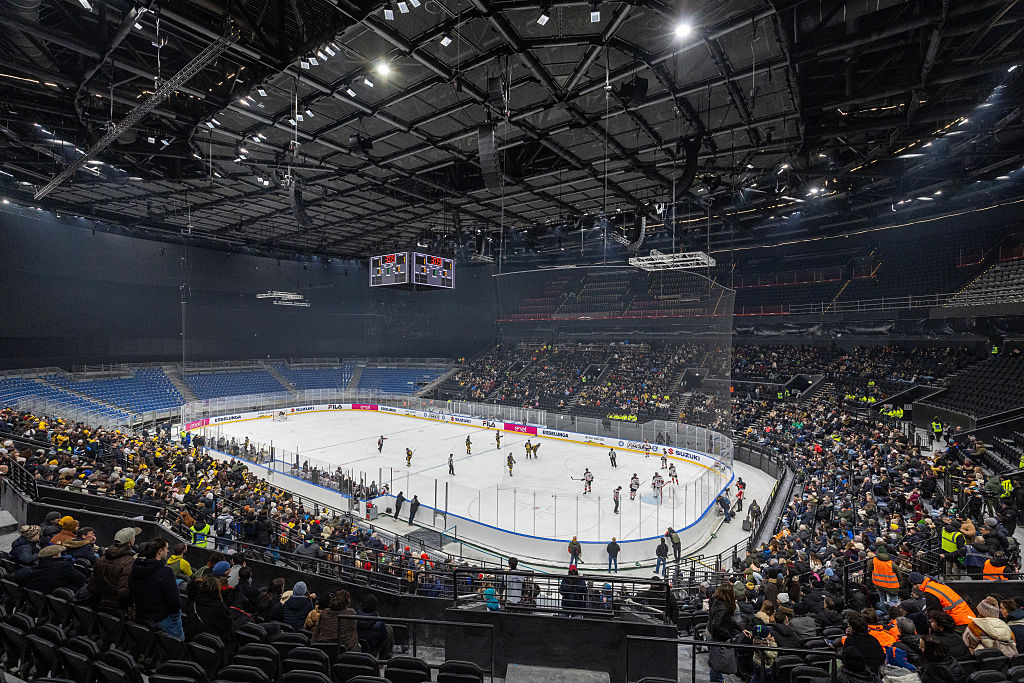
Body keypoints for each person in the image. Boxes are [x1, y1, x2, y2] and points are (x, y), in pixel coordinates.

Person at [130, 539, 184, 640]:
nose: (168, 551)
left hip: (141, 615)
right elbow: (174, 603)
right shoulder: (166, 572)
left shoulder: (135, 568)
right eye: (166, 549)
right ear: (159, 551)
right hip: (162, 618)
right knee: (177, 614)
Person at [89, 527, 139, 615]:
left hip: (100, 606)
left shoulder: (101, 560)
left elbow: (91, 586)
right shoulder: (129, 562)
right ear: (131, 542)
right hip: (118, 611)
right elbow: (123, 593)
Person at [907, 572, 976, 627]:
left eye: (914, 584)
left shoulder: (930, 591)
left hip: (958, 621)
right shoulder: (935, 584)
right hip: (966, 616)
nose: (915, 587)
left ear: (917, 582)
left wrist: (931, 626)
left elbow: (933, 613)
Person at [708, 582, 744, 683]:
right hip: (718, 637)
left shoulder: (716, 602)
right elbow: (717, 625)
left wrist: (741, 628)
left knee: (716, 663)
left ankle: (718, 680)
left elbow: (727, 620)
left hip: (714, 634)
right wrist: (729, 635)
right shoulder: (723, 607)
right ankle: (717, 681)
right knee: (717, 664)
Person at [19, 544, 87, 592]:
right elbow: (81, 579)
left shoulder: (34, 569)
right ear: (55, 556)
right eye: (60, 553)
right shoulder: (64, 566)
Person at [311, 589, 360, 653]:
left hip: (322, 649)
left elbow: (316, 633)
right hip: (342, 651)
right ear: (347, 602)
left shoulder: (324, 612)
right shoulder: (351, 613)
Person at [357, 593, 394, 660]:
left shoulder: (354, 617)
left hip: (357, 648)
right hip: (372, 651)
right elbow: (383, 637)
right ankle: (382, 661)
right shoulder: (379, 621)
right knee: (389, 629)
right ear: (375, 607)